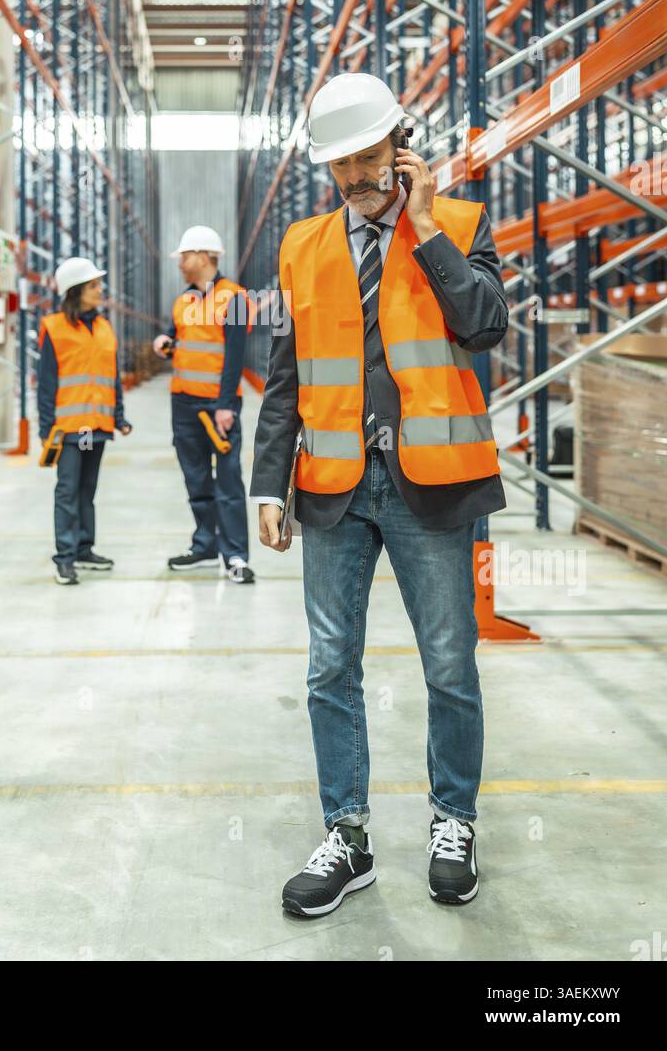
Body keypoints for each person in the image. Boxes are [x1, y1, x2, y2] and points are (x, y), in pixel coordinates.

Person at [249, 72, 509, 916]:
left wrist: (427, 226)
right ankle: (348, 835)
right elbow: (286, 380)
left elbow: (484, 324)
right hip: (332, 489)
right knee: (330, 668)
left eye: (368, 159)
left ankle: (453, 821)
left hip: (432, 489)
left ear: (400, 146)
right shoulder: (301, 245)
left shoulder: (462, 225)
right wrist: (266, 484)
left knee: (448, 664)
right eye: (340, 166)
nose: (356, 179)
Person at [152, 225, 255, 585]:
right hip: (183, 405)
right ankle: (206, 544)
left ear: (203, 256)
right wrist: (165, 340)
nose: (180, 263)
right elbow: (176, 335)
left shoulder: (236, 299)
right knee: (196, 479)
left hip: (218, 407)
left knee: (227, 481)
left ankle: (236, 555)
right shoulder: (183, 301)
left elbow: (234, 358)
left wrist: (226, 404)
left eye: (184, 256)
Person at [38, 256, 132, 586]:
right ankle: (64, 558)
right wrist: (46, 428)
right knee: (67, 490)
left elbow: (112, 376)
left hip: (98, 428)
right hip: (68, 429)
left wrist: (119, 416)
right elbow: (47, 382)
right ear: (76, 290)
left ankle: (83, 548)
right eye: (93, 285)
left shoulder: (104, 327)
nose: (100, 290)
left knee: (87, 490)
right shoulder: (54, 327)